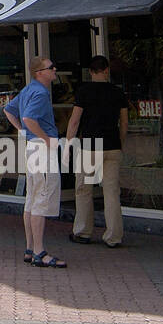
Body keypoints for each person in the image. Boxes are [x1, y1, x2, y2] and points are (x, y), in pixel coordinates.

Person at [4, 56, 66, 268]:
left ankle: (30, 248)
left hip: (32, 149)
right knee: (42, 196)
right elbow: (30, 118)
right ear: (40, 72)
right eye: (51, 67)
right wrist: (46, 139)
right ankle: (39, 251)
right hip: (42, 150)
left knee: (32, 197)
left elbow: (8, 110)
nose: (54, 69)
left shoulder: (28, 89)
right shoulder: (40, 92)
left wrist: (22, 131)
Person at [65, 55, 128, 247]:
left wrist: (68, 144)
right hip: (112, 146)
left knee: (84, 189)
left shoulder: (84, 91)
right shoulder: (118, 92)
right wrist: (120, 142)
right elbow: (124, 122)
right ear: (107, 70)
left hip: (91, 146)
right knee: (111, 192)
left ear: (91, 72)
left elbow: (75, 121)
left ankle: (83, 232)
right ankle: (113, 237)